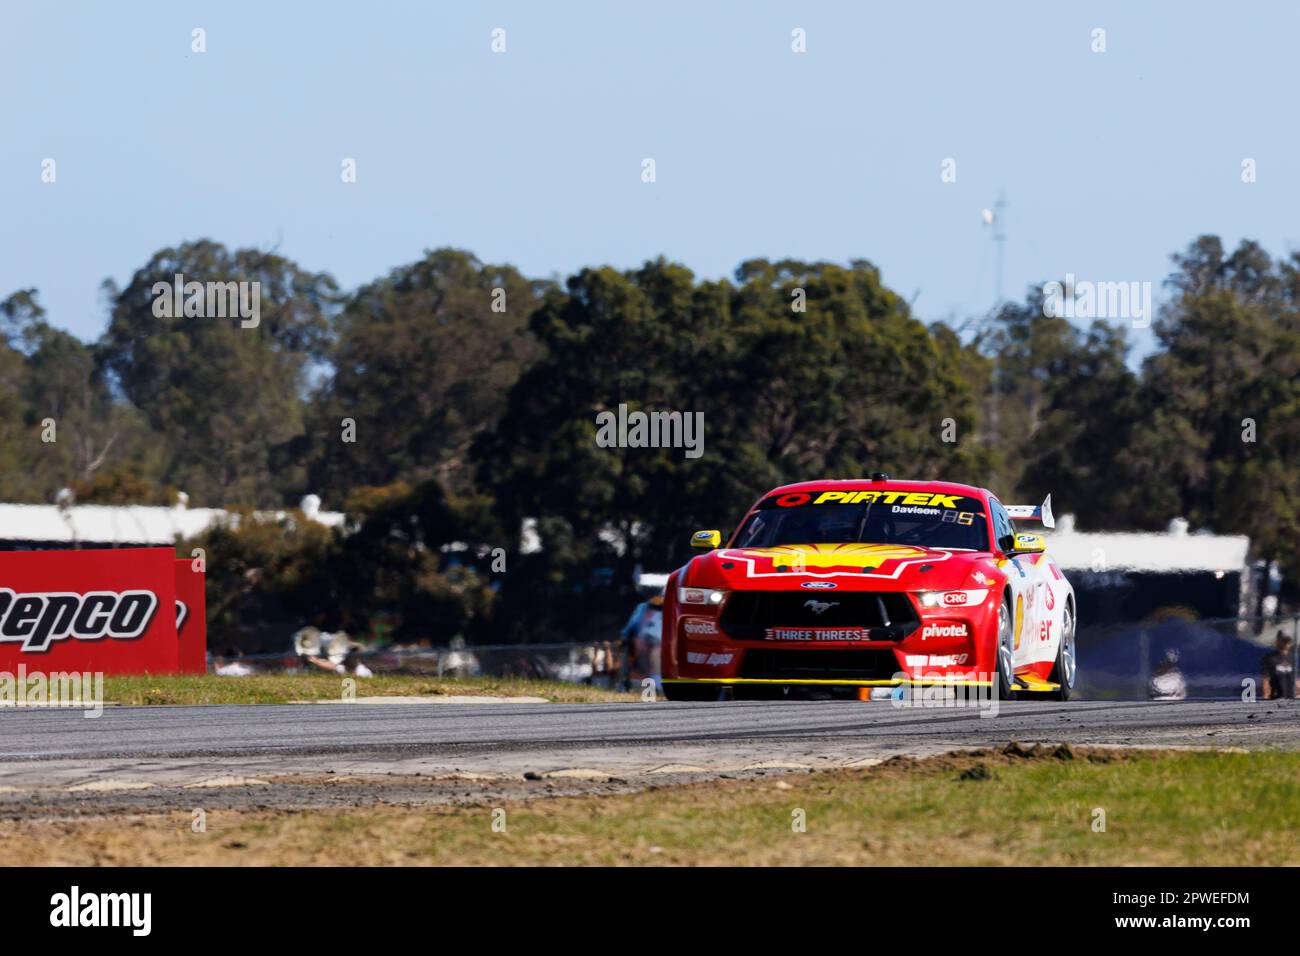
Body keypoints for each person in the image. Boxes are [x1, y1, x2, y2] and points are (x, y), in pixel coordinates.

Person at [620, 594, 664, 694]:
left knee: (654, 665)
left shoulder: (668, 609)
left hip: (658, 643)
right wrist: (625, 636)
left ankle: (655, 687)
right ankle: (628, 685)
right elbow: (632, 624)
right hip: (643, 642)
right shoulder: (643, 607)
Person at [1260, 635, 1296, 700]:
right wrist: (1266, 695)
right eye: (1284, 641)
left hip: (1291, 697)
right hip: (1276, 697)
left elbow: (1297, 680)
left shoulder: (1293, 658)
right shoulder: (1270, 658)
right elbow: (1266, 679)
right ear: (1278, 642)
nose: (1286, 644)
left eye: (1288, 642)